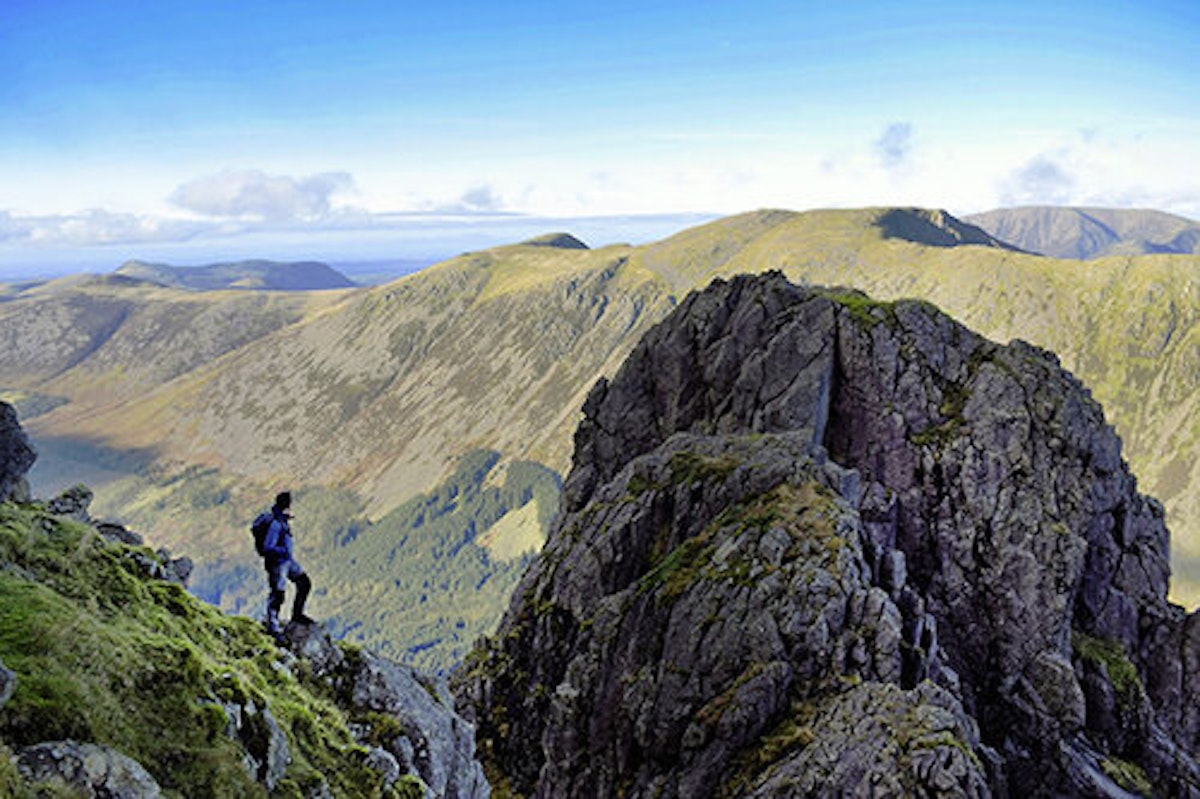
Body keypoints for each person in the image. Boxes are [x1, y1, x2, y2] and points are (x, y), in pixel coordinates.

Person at [261, 491, 313, 640]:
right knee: (277, 595)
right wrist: (283, 551)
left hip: (288, 561)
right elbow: (267, 547)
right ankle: (273, 628)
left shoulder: (281, 519)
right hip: (278, 564)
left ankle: (297, 615)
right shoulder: (276, 524)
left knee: (304, 583)